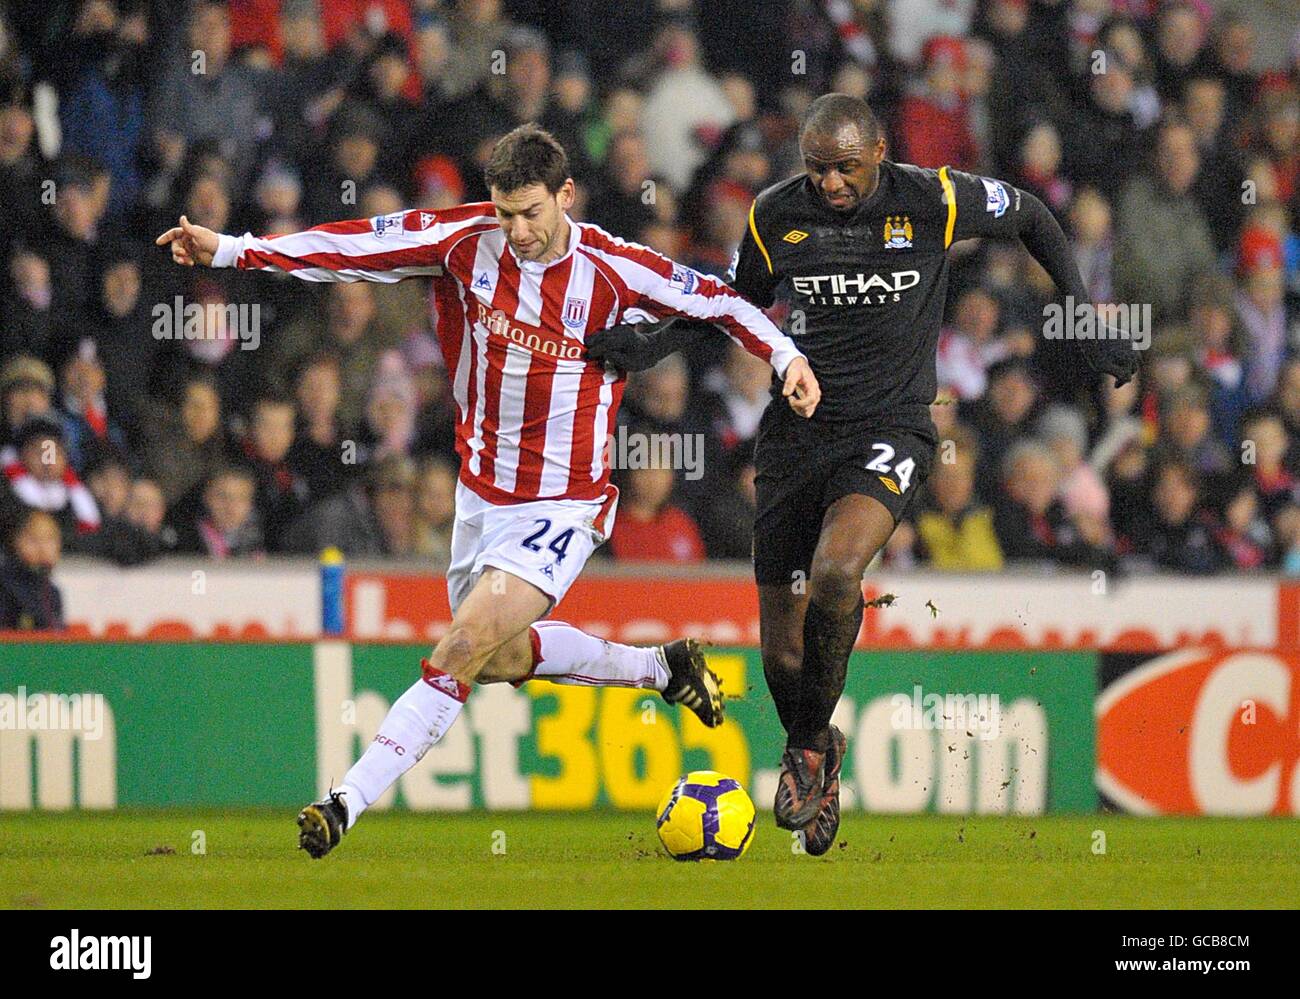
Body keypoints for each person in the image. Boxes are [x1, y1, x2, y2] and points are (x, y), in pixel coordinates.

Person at [156, 122, 820, 858]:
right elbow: (350, 247)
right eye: (504, 213)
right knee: (499, 658)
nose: (516, 230)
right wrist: (232, 250)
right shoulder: (463, 241)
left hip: (564, 503)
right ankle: (661, 668)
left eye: (531, 213)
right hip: (481, 499)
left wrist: (787, 357)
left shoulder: (615, 267)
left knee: (463, 644)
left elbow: (721, 303)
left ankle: (343, 801)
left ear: (565, 195)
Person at [586, 92, 1136, 855]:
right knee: (781, 650)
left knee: (837, 572)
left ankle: (804, 755)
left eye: (845, 168)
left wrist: (1085, 319)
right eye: (817, 170)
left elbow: (1034, 216)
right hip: (797, 432)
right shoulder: (776, 214)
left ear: (879, 151)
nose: (832, 184)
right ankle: (819, 745)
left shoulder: (935, 198)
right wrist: (645, 345)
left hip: (890, 429)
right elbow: (732, 305)